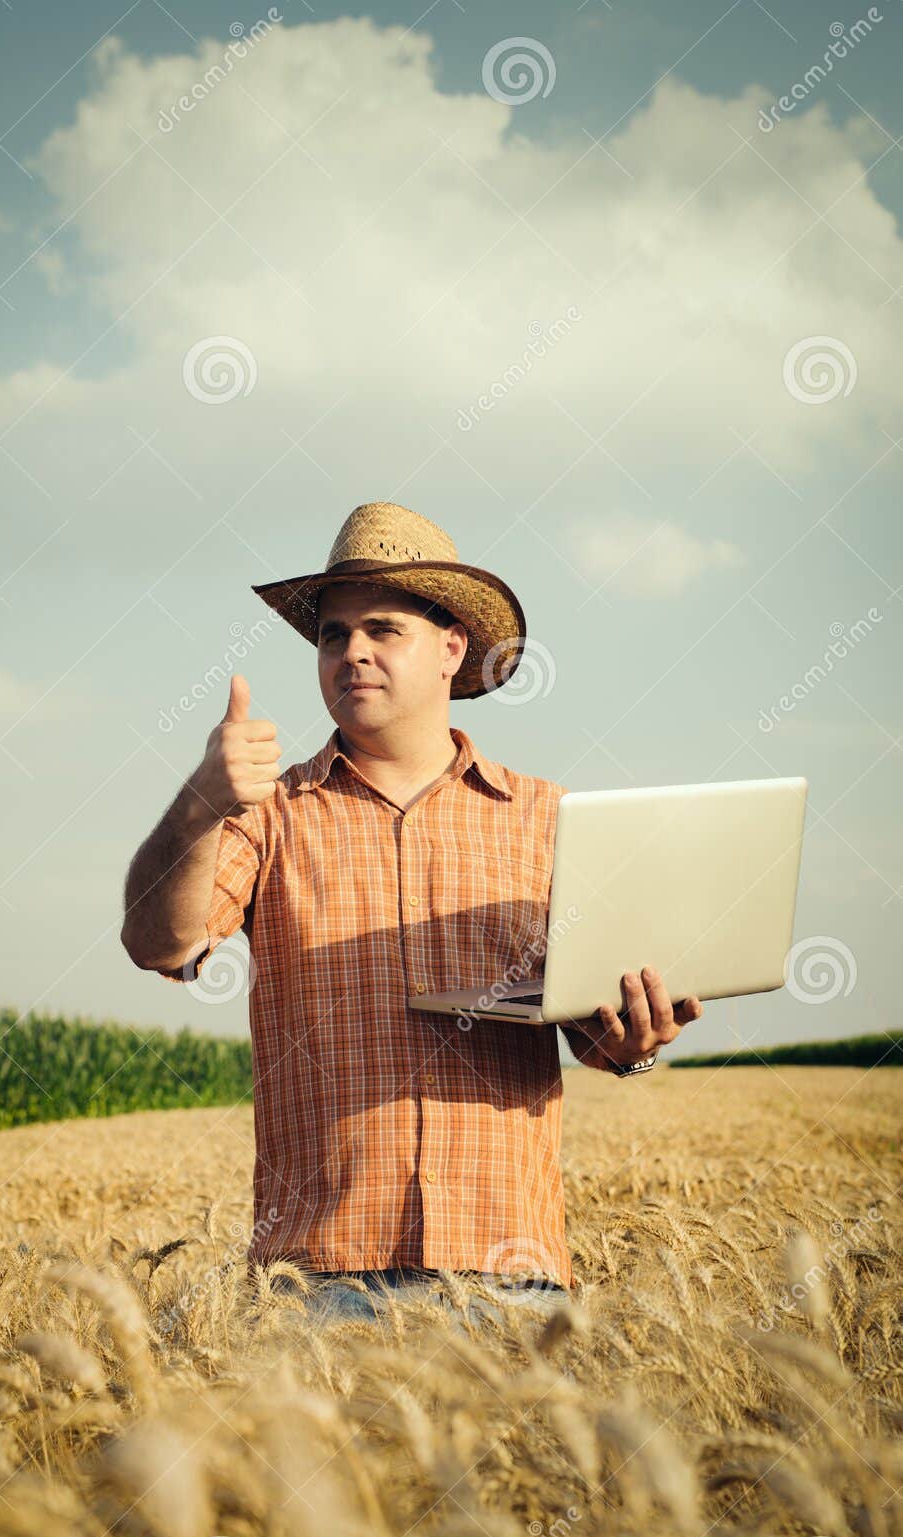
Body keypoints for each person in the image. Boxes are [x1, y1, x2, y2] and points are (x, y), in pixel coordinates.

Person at [121, 502, 702, 1330]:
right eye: (332, 634)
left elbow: (596, 1038)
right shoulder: (263, 814)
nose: (350, 651)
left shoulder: (547, 819)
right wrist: (197, 806)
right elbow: (160, 946)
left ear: (451, 648)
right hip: (316, 1280)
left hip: (510, 1271)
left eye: (382, 629)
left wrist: (637, 1044)